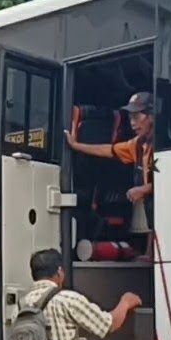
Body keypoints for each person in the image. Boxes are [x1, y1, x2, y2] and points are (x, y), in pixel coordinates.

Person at [66, 92, 157, 256]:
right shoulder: (137, 144)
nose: (132, 122)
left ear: (151, 116)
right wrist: (76, 145)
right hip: (151, 211)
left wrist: (144, 189)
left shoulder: (165, 143)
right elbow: (109, 150)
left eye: (137, 116)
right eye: (130, 117)